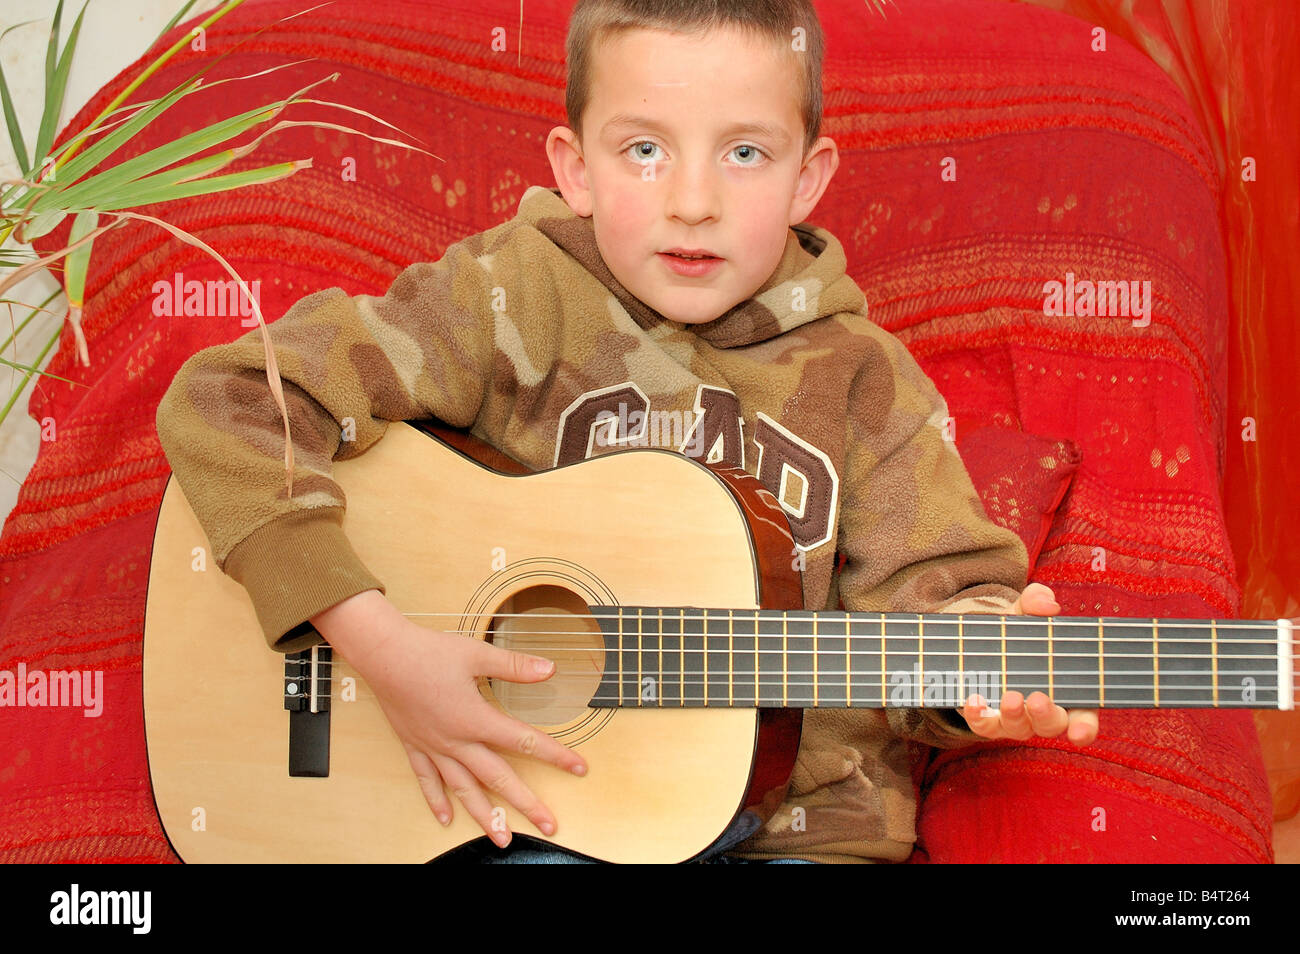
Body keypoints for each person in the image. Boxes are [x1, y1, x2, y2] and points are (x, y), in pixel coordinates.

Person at [155, 0, 1099, 864]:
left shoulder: (867, 382)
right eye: (644, 150)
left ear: (809, 178)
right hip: (529, 815)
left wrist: (983, 676)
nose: (694, 200)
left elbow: (938, 600)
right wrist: (380, 647)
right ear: (575, 169)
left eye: (744, 154)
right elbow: (230, 401)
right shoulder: (505, 295)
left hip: (799, 837)